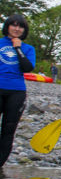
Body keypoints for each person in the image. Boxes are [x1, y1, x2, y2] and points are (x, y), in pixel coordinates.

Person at [0, 14, 36, 167]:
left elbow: (27, 68)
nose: (17, 28)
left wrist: (18, 48)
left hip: (16, 91)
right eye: (13, 25)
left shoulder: (28, 49)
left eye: (20, 26)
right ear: (7, 26)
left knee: (8, 129)